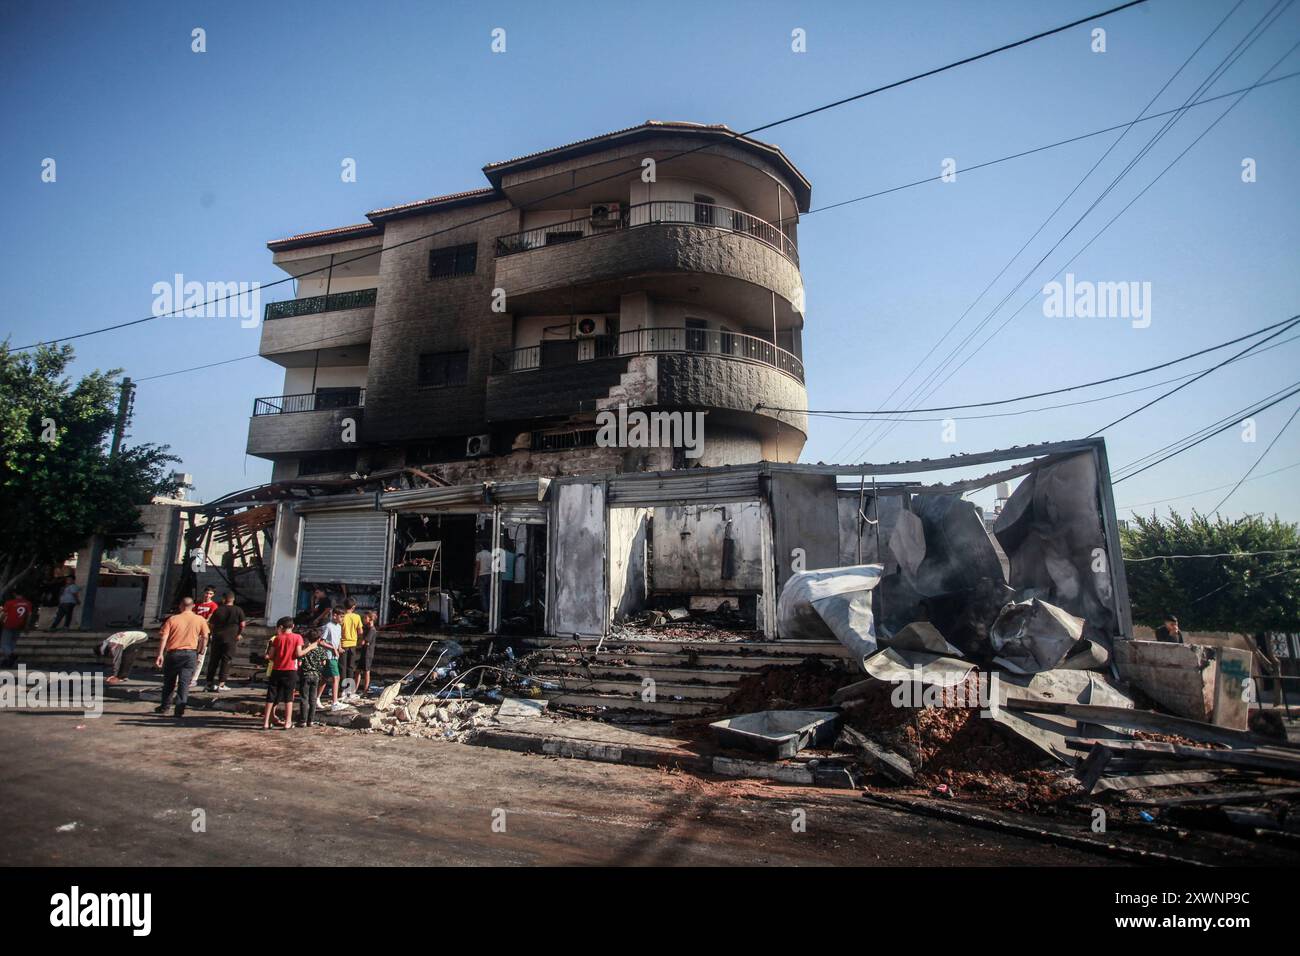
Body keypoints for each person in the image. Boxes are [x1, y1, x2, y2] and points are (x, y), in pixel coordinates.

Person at [154, 597, 210, 718]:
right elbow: (205, 636)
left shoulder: (172, 619)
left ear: (180, 606)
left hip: (173, 653)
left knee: (169, 682)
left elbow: (164, 637)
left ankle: (165, 707)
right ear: (193, 606)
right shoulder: (200, 619)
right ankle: (179, 709)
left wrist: (160, 654)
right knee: (184, 683)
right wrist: (201, 650)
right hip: (190, 654)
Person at [261, 617, 318, 731]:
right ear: (292, 626)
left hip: (277, 669)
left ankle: (266, 722)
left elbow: (271, 656)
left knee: (271, 696)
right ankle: (288, 722)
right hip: (290, 670)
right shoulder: (297, 637)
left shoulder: (277, 638)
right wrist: (310, 647)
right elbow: (299, 653)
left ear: (281, 627)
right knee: (288, 697)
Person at [205, 592, 247, 691]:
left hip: (217, 637)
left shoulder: (218, 610)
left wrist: (212, 633)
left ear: (224, 600)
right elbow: (243, 624)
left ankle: (209, 683)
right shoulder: (238, 610)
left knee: (213, 660)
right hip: (231, 638)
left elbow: (211, 624)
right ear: (233, 600)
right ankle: (221, 684)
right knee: (226, 660)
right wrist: (238, 634)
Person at [297, 628, 330, 727]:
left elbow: (300, 662)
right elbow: (323, 663)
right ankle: (310, 720)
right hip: (316, 675)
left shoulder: (306, 650)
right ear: (319, 639)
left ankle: (303, 720)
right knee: (313, 699)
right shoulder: (321, 650)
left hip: (305, 675)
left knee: (304, 698)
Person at [189, 587, 220, 689]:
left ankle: (194, 678)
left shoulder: (213, 605)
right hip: (194, 632)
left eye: (210, 594)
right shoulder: (197, 604)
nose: (208, 595)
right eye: (207, 593)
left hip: (204, 633)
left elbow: (209, 618)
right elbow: (192, 614)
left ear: (213, 595)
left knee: (200, 657)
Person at [1, 589, 35, 667]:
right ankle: (8, 660)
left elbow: (3, 614)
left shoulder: (9, 603)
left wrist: (1, 621)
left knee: (4, 643)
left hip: (8, 624)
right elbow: (29, 615)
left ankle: (10, 655)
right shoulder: (28, 603)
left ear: (14, 594)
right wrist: (27, 626)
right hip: (20, 625)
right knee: (12, 642)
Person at [319, 607, 343, 708]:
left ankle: (316, 698)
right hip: (329, 656)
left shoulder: (339, 627)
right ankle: (334, 702)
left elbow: (339, 639)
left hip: (335, 656)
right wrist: (333, 648)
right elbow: (321, 641)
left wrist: (339, 647)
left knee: (324, 678)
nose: (342, 619)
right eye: (341, 617)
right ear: (334, 616)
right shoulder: (328, 626)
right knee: (336, 677)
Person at [339, 598, 363, 697]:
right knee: (351, 667)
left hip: (343, 645)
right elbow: (360, 631)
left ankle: (342, 690)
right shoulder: (357, 617)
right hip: (353, 644)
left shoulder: (342, 617)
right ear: (353, 607)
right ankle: (350, 690)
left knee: (342, 667)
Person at [358, 609, 379, 696]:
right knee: (358, 670)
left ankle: (365, 690)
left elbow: (364, 642)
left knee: (366, 671)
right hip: (364, 652)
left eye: (365, 618)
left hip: (368, 653)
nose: (363, 619)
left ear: (370, 619)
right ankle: (356, 687)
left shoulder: (372, 630)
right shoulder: (366, 628)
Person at [474, 543, 493, 612]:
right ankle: (490, 610)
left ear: (481, 546)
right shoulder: (491, 554)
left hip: (482, 575)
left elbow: (477, 567)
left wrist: (475, 579)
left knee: (483, 594)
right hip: (490, 575)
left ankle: (485, 611)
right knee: (489, 594)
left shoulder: (479, 554)